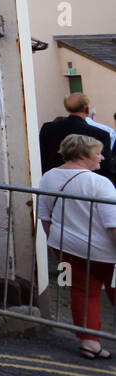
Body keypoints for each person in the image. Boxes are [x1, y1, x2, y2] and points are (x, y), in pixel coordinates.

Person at [38, 134, 116, 358]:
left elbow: (45, 216)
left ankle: (89, 342)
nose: (102, 157)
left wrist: (56, 245)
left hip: (65, 247)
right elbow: (113, 226)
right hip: (105, 254)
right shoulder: (99, 183)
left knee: (82, 292)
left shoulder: (49, 176)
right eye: (97, 153)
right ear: (82, 154)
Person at [40, 93, 115, 183]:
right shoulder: (100, 134)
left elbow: (43, 157)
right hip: (88, 185)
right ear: (87, 109)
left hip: (54, 182)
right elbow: (105, 168)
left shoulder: (48, 128)